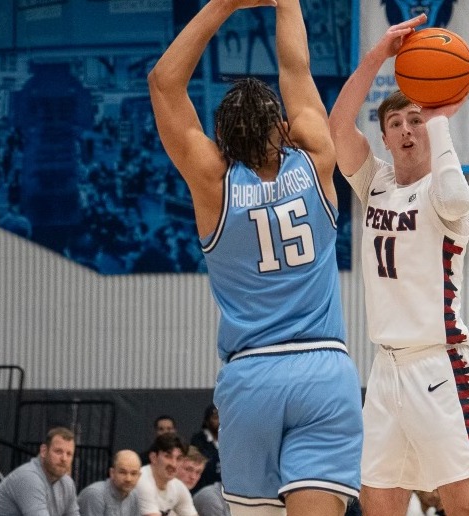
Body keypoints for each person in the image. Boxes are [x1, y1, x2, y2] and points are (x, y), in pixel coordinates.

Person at [148, 0, 363, 514]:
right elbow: (296, 67)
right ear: (282, 128)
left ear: (222, 139)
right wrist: (284, 1)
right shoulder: (314, 155)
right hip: (324, 372)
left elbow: (163, 83)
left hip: (253, 378)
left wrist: (223, 4)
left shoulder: (213, 182)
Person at [327, 12, 469, 516]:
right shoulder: (374, 183)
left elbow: (454, 192)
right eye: (394, 123)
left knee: (466, 506)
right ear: (384, 137)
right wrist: (378, 55)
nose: (404, 129)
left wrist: (439, 116)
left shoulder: (445, 197)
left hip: (440, 365)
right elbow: (336, 127)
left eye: (414, 120)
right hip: (385, 368)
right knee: (379, 503)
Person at [0, 427, 79, 516]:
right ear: (44, 451)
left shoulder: (67, 483)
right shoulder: (28, 477)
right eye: (58, 451)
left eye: (69, 454)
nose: (64, 458)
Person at [135, 433, 196, 516]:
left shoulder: (177, 486)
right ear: (154, 457)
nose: (173, 464)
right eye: (168, 456)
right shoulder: (142, 480)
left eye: (179, 458)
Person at [77, 449, 142, 516]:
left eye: (133, 473)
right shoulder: (95, 494)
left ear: (139, 476)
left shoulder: (134, 496)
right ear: (112, 473)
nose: (128, 479)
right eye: (123, 472)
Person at [189, 404, 221, 488]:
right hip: (204, 487)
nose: (220, 421)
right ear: (206, 421)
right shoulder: (198, 440)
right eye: (215, 418)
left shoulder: (230, 440)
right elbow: (203, 462)